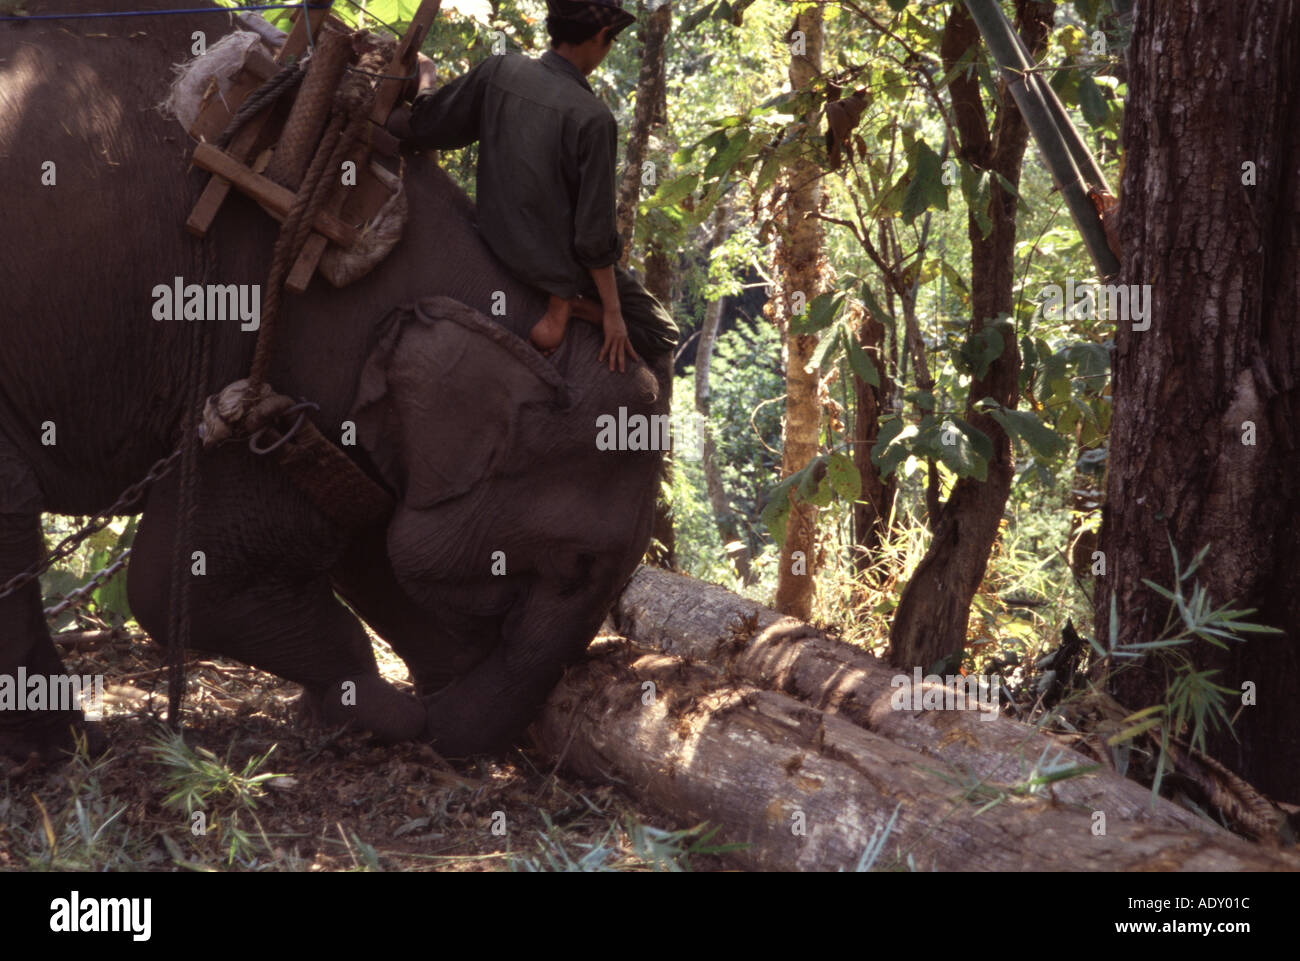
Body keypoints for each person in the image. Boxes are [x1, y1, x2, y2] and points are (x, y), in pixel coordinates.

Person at [387, 0, 679, 372]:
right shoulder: (594, 119)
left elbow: (428, 126)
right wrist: (612, 311)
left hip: (495, 236)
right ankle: (569, 305)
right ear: (602, 36)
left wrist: (426, 76)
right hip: (550, 269)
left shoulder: (500, 69)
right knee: (661, 331)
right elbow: (593, 241)